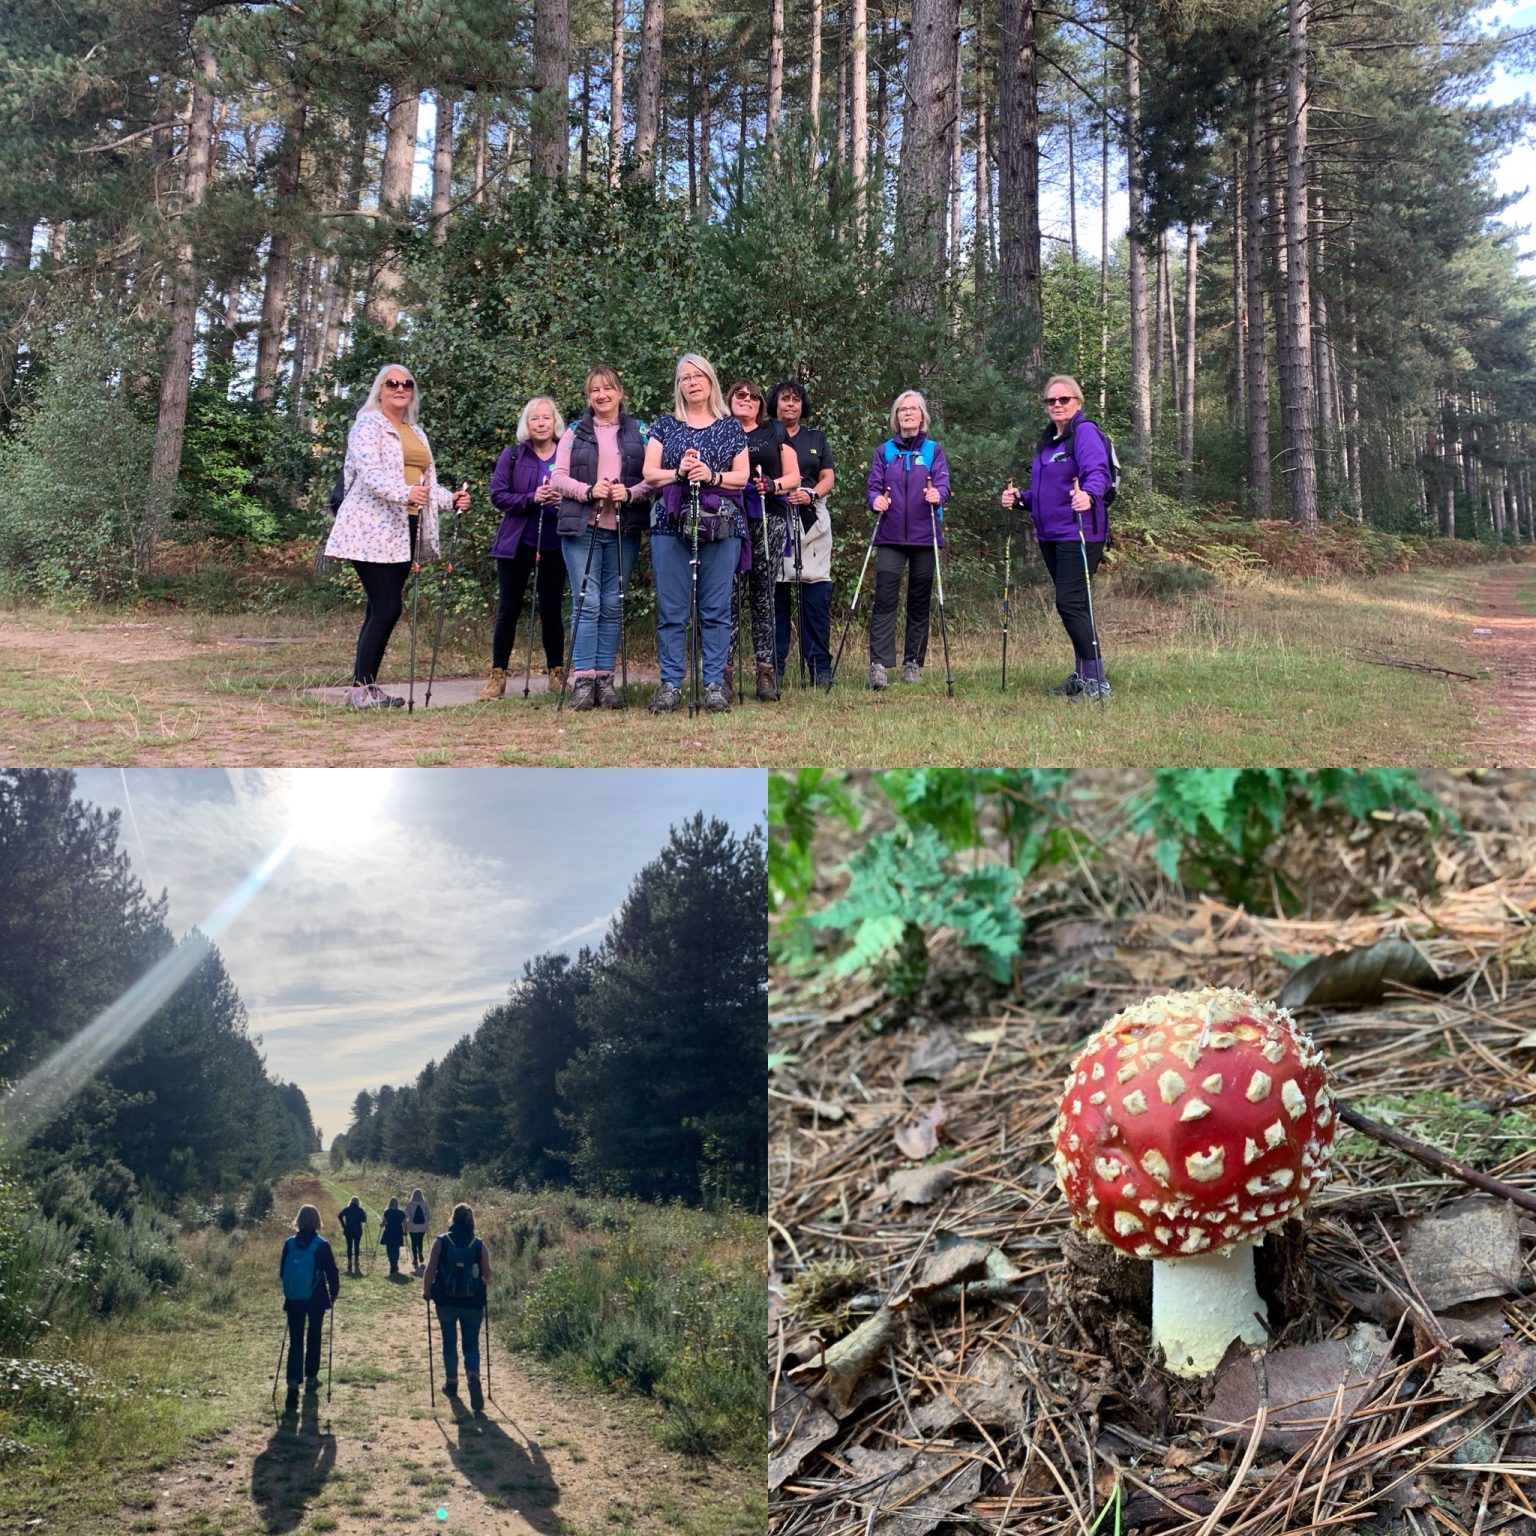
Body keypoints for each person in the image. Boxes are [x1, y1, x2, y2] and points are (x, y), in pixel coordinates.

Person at [325, 364, 471, 709]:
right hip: (368, 527)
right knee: (389, 606)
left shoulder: (416, 432)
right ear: (380, 389)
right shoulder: (367, 426)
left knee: (380, 608)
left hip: (405, 529)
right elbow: (371, 475)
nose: (400, 388)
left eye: (407, 384)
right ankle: (362, 689)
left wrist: (450, 499)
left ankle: (365, 689)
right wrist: (406, 492)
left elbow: (427, 486)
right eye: (392, 383)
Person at [642, 355, 750, 714]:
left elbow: (742, 477)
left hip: (722, 524)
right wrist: (679, 471)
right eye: (685, 377)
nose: (692, 382)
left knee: (716, 608)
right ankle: (671, 684)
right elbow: (649, 472)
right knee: (673, 608)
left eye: (698, 375)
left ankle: (714, 684)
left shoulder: (731, 427)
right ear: (679, 386)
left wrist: (711, 475)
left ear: (711, 380)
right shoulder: (664, 425)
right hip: (669, 522)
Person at [1000, 374, 1114, 700]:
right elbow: (1044, 492)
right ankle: (1083, 676)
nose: (1057, 405)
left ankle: (1097, 683)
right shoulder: (1050, 441)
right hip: (1050, 534)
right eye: (1051, 400)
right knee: (1074, 605)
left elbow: (1098, 472)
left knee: (1070, 602)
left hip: (1079, 531)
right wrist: (1020, 499)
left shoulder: (1085, 432)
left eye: (1063, 399)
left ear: (1077, 402)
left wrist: (1089, 495)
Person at [550, 365, 650, 710]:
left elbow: (652, 478)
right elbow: (557, 478)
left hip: (623, 528)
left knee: (612, 602)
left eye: (608, 388)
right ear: (588, 396)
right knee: (587, 600)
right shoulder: (575, 432)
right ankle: (584, 679)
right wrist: (589, 490)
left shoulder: (640, 430)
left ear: (620, 392)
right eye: (595, 390)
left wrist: (631, 492)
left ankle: (605, 681)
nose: (602, 395)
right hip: (582, 527)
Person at [481, 396, 569, 700]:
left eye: (546, 418)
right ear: (526, 424)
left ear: (555, 421)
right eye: (535, 418)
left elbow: (578, 493)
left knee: (551, 610)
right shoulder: (514, 455)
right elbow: (498, 496)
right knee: (508, 609)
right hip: (516, 543)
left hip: (556, 542)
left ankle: (556, 673)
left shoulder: (567, 453)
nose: (541, 423)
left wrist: (561, 500)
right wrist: (532, 498)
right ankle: (498, 675)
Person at [864, 390, 950, 689]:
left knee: (918, 601)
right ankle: (879, 664)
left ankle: (913, 662)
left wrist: (938, 494)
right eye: (903, 410)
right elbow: (873, 487)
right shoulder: (884, 451)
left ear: (923, 415)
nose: (908, 414)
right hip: (890, 536)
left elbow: (943, 485)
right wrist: (875, 500)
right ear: (896, 417)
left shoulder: (933, 450)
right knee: (885, 599)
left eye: (913, 409)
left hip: (926, 536)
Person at [727, 379, 799, 702]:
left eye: (753, 396)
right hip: (728, 522)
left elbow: (794, 476)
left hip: (768, 519)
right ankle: (723, 673)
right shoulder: (720, 429)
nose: (747, 400)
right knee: (728, 597)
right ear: (729, 400)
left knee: (763, 598)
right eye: (740, 395)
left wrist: (772, 485)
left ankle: (765, 673)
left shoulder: (774, 433)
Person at [769, 380, 836, 689]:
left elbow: (827, 476)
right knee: (776, 598)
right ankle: (775, 670)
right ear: (775, 403)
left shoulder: (816, 438)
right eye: (785, 399)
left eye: (796, 400)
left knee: (816, 598)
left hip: (812, 521)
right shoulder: (765, 435)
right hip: (775, 519)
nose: (790, 405)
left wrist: (810, 494)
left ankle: (820, 669)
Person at [424, 1202, 493, 1414]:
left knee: (449, 1340)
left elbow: (430, 1270)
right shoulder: (478, 1244)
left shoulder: (442, 1241)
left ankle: (452, 1382)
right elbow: (488, 1275)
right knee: (471, 1343)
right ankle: (473, 1375)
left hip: (445, 1300)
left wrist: (426, 1291)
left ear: (452, 1218)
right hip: (472, 1302)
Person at [278, 1203, 340, 1405]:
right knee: (314, 1335)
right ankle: (311, 1377)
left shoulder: (289, 1244)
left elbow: (282, 1273)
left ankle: (293, 1380)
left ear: (299, 1220)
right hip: (316, 1298)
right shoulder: (321, 1244)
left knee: (295, 1339)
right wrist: (333, 1293)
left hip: (294, 1299)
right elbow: (332, 1272)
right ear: (316, 1221)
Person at [337, 1196, 368, 1276]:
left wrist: (344, 1225)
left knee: (349, 1247)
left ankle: (349, 1263)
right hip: (357, 1231)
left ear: (350, 1202)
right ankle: (356, 1262)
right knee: (357, 1246)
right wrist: (365, 1215)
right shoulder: (360, 1210)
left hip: (348, 1230)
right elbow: (363, 1220)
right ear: (358, 1202)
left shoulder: (347, 1209)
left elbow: (339, 1216)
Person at [379, 1196, 407, 1277]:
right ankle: (395, 1264)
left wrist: (381, 1225)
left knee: (389, 1249)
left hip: (389, 1232)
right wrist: (405, 1231)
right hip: (398, 1232)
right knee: (396, 1249)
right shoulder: (401, 1213)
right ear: (397, 1204)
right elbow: (405, 1223)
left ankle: (392, 1264)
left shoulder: (387, 1212)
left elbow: (383, 1223)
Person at [405, 1187, 430, 1272]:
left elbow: (406, 1214)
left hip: (412, 1226)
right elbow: (428, 1214)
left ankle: (415, 1259)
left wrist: (405, 1224)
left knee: (413, 1242)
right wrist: (426, 1221)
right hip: (422, 1226)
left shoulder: (410, 1204)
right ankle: (420, 1253)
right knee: (420, 1241)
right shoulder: (424, 1203)